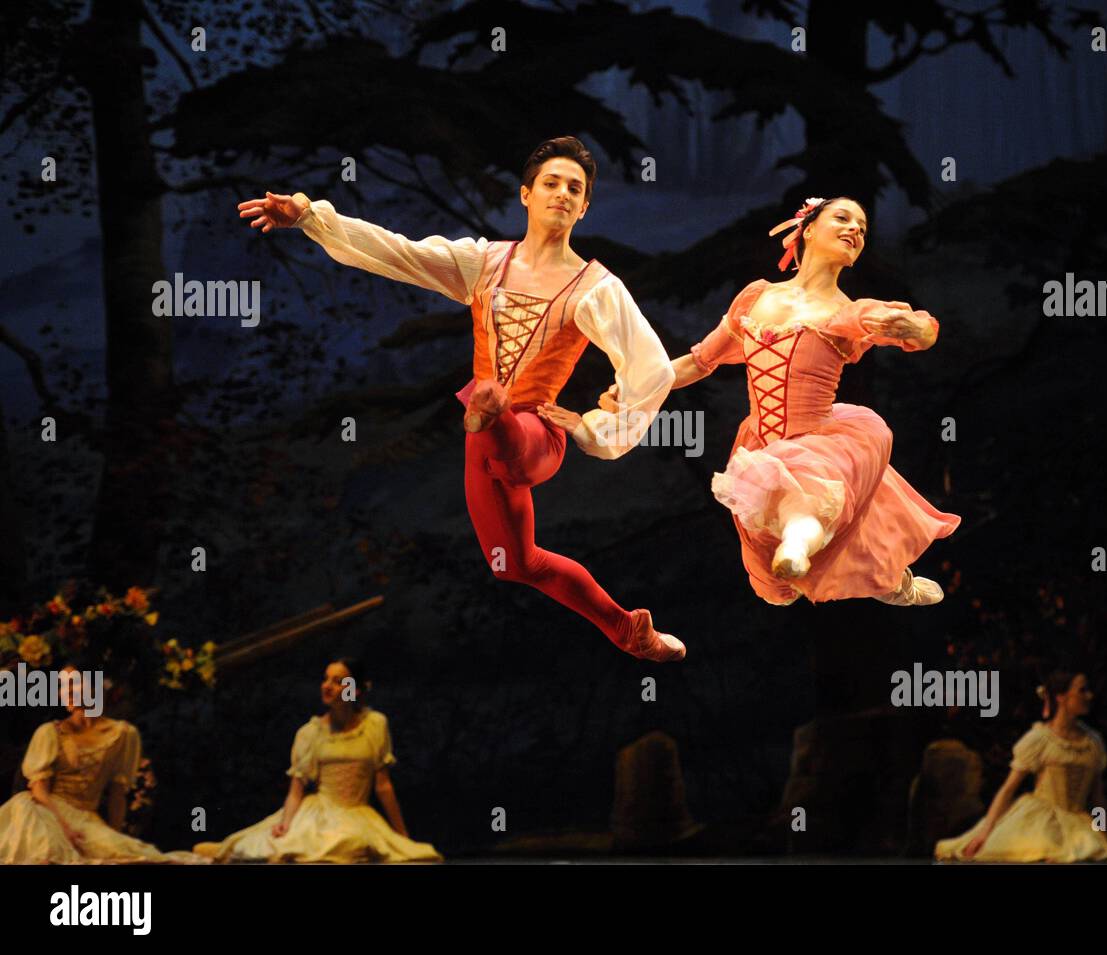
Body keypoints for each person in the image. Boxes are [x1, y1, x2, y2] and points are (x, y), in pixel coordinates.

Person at [237, 136, 682, 661]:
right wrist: (311, 217)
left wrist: (594, 425)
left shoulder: (595, 287)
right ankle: (626, 628)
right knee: (514, 564)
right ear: (526, 195)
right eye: (551, 183)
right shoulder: (483, 263)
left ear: (584, 208)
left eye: (574, 188)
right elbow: (398, 252)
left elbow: (649, 364)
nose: (562, 193)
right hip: (484, 444)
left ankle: (490, 410)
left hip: (538, 434)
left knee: (506, 435)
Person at [648, 196, 958, 606]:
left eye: (862, 228)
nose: (855, 230)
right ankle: (883, 578)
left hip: (820, 440)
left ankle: (811, 551)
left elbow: (920, 331)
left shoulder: (848, 313)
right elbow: (699, 361)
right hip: (761, 444)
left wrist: (914, 327)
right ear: (808, 229)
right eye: (843, 218)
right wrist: (639, 389)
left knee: (810, 497)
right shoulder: (755, 298)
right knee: (780, 585)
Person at [195, 658, 440, 863]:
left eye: (337, 681)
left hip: (356, 812)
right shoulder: (310, 733)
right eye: (325, 679)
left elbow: (383, 786)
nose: (327, 686)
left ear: (353, 688)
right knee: (283, 843)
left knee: (351, 842)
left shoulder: (375, 725)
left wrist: (402, 835)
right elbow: (295, 791)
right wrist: (286, 822)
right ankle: (226, 849)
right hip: (318, 811)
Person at [0, 665, 205, 864]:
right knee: (41, 842)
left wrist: (113, 836)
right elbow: (39, 791)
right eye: (61, 686)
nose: (67, 691)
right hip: (47, 813)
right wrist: (65, 829)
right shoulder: (50, 732)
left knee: (132, 856)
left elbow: (118, 794)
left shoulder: (123, 734)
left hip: (85, 818)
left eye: (74, 683)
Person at [935, 671, 1107, 862]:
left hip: (1077, 823)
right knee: (1042, 849)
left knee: (1083, 850)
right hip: (1040, 820)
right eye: (1082, 690)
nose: (1089, 695)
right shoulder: (1041, 739)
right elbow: (1008, 789)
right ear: (1061, 697)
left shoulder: (1093, 741)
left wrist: (1102, 835)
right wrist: (986, 831)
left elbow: (1097, 798)